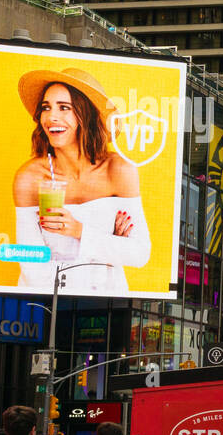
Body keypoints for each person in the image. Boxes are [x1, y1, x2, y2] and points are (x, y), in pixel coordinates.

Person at [11, 68, 151, 293]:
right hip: (47, 308)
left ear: (84, 114)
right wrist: (109, 248)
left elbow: (139, 253)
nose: (51, 117)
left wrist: (79, 231)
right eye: (46, 107)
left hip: (106, 307)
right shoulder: (31, 177)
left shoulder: (118, 170)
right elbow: (32, 266)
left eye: (64, 107)